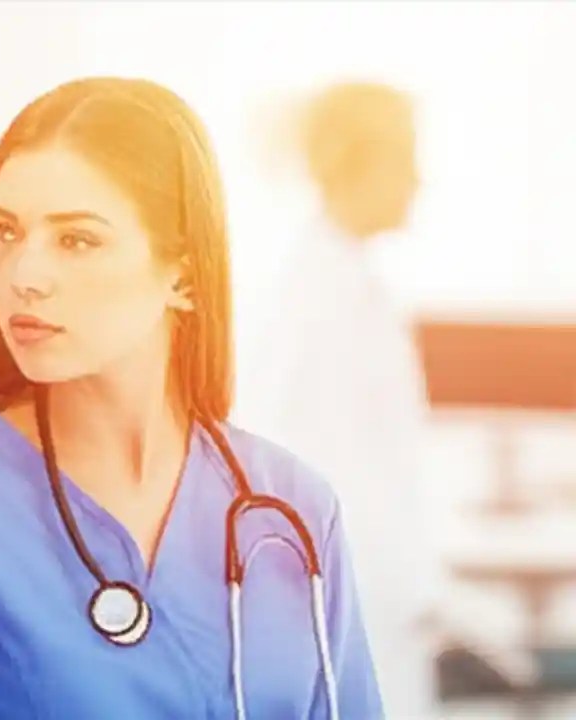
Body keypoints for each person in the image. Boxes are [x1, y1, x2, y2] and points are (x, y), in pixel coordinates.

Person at [0, 76, 383, 719]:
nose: (24, 275)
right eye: (5, 231)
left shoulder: (293, 513)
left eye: (76, 239)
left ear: (183, 274)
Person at [257, 81, 441, 719]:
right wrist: (411, 584)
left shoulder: (352, 280)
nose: (419, 180)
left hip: (378, 593)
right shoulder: (319, 294)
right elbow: (329, 463)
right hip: (358, 594)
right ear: (363, 165)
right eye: (408, 159)